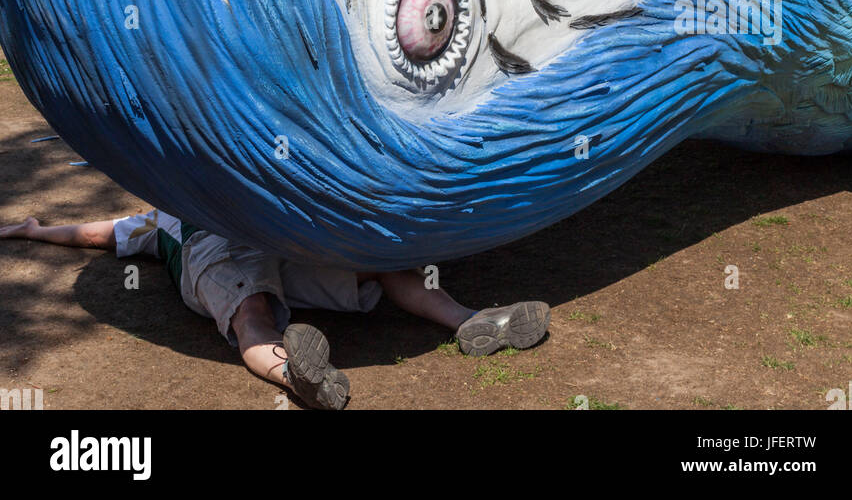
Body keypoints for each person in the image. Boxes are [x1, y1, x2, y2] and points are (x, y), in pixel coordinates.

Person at [0, 209, 550, 410]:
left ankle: (472, 322)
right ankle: (297, 376)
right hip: (212, 256)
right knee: (252, 313)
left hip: (271, 236)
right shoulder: (155, 219)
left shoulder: (226, 177)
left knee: (380, 266)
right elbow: (97, 235)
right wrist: (39, 231)